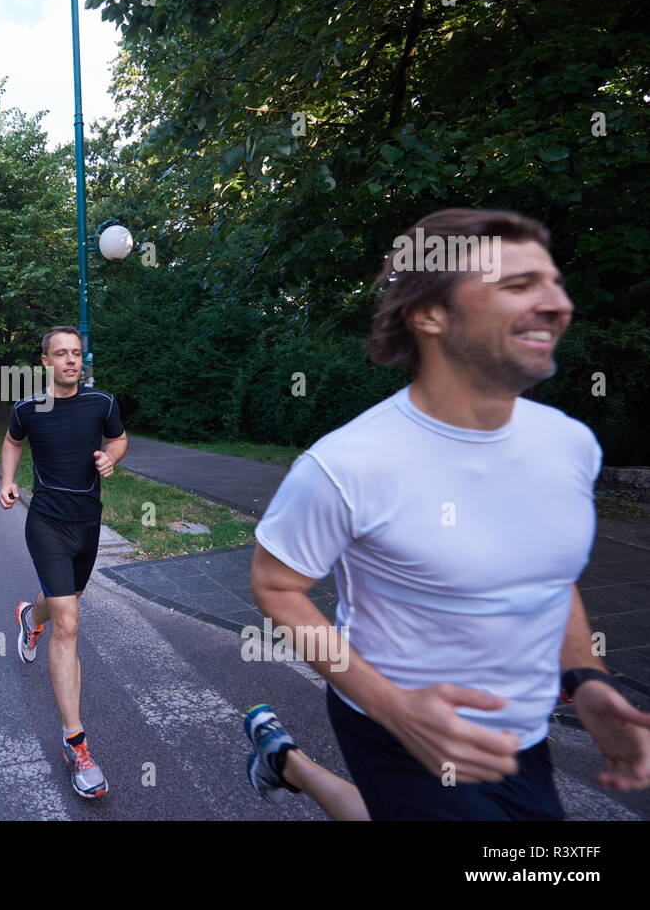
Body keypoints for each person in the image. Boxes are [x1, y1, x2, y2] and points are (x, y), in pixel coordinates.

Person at [244, 208, 650, 820]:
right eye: (518, 285)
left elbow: (549, 576)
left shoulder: (570, 444)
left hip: (521, 737)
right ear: (429, 313)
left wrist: (587, 678)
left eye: (553, 282)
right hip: (397, 732)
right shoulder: (346, 464)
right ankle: (293, 762)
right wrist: (392, 707)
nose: (556, 303)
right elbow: (275, 586)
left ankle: (288, 763)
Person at [0, 325, 127, 799]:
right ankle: (77, 745)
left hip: (87, 525)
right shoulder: (28, 409)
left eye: (77, 353)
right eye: (62, 354)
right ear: (46, 362)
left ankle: (30, 618)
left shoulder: (102, 403)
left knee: (63, 602)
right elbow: (12, 441)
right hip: (47, 523)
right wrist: (7, 481)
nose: (72, 360)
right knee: (69, 622)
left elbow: (119, 439)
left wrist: (111, 457)